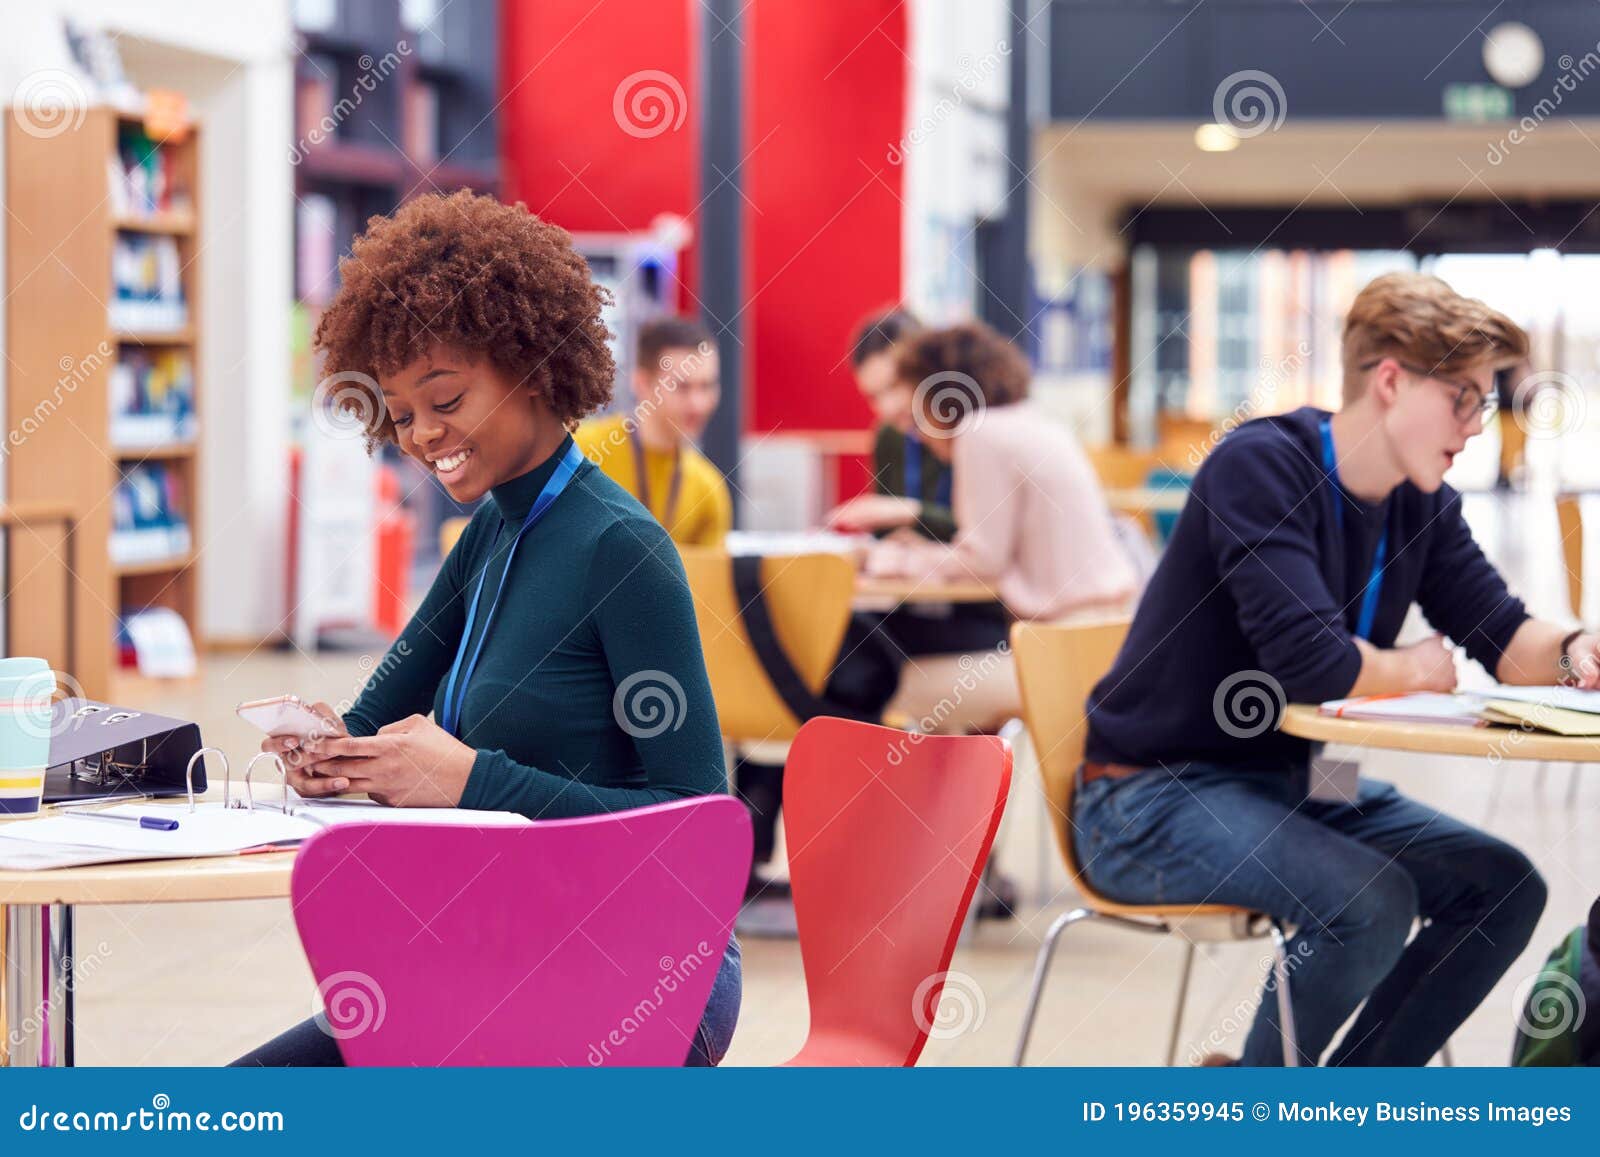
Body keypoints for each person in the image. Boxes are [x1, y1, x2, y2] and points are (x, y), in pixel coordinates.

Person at [233, 191, 739, 1067]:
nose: (424, 436)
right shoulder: (491, 536)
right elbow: (373, 715)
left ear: (533, 366)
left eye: (446, 398)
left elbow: (696, 838)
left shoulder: (621, 549)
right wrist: (330, 751)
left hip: (653, 974)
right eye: (400, 414)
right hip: (507, 950)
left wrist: (474, 781)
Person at [1081, 272, 1596, 1066]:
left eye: (1484, 402)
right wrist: (1412, 668)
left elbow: (1501, 632)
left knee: (1504, 887)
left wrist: (1573, 650)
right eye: (1462, 398)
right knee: (1369, 900)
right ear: (1390, 380)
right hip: (1151, 793)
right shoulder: (1261, 467)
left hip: (1297, 779)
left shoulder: (1420, 501)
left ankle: (1344, 1105)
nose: (1476, 426)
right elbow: (1312, 662)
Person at [860, 321, 1138, 626]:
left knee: (865, 634)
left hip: (1062, 634)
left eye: (918, 411)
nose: (919, 432)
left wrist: (896, 560)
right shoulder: (1032, 421)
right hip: (1106, 623)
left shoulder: (979, 433)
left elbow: (983, 562)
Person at [576, 316, 732, 546]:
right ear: (642, 384)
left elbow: (708, 570)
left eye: (707, 386)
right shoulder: (582, 451)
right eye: (682, 387)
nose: (698, 404)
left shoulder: (708, 488)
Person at [826, 308, 954, 540]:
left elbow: (980, 529)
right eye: (874, 396)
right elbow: (883, 531)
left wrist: (908, 513)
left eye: (894, 385)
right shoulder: (889, 435)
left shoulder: (964, 429)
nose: (887, 408)